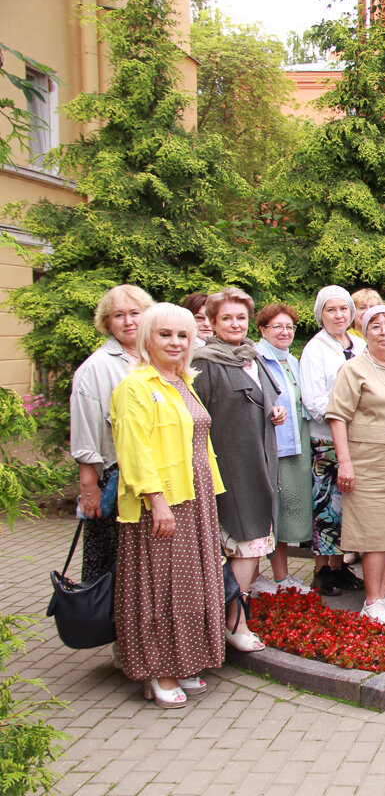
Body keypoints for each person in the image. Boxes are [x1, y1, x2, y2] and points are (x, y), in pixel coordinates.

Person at [110, 303, 227, 708]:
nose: (175, 342)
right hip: (162, 502)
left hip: (195, 499)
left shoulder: (181, 381)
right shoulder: (135, 386)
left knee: (190, 587)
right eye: (165, 334)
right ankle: (156, 671)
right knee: (160, 589)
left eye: (182, 335)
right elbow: (134, 449)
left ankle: (183, 661)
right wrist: (155, 500)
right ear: (146, 338)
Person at [192, 288, 282, 653]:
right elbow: (197, 421)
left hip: (261, 462)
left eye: (241, 317)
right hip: (229, 467)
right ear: (211, 323)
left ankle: (233, 617)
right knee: (242, 543)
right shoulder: (204, 363)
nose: (234, 323)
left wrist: (275, 412)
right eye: (226, 318)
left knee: (254, 544)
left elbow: (266, 398)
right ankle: (234, 622)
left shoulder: (252, 357)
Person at [326, 306, 385, 625]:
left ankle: (382, 595)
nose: (383, 331)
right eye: (375, 325)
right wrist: (344, 463)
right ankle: (371, 600)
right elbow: (337, 417)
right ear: (364, 331)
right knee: (374, 533)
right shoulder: (353, 369)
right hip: (366, 462)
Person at [71, 284, 154, 582]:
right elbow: (85, 432)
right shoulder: (95, 369)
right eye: (119, 315)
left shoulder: (158, 356)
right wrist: (88, 487)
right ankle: (109, 626)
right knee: (114, 567)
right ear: (107, 323)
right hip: (115, 482)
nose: (129, 321)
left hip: (156, 479)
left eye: (135, 313)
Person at [300, 285, 367, 596]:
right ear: (320, 315)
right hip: (326, 440)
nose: (339, 315)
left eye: (343, 309)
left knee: (349, 507)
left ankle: (340, 567)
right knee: (327, 505)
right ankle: (323, 570)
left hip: (360, 441)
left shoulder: (360, 344)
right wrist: (347, 413)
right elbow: (313, 401)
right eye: (331, 309)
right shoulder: (316, 349)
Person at [250, 304, 313, 595]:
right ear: (262, 330)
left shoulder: (293, 361)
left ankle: (280, 575)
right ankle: (252, 575)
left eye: (289, 327)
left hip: (295, 444)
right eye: (277, 326)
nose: (285, 332)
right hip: (270, 447)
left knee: (286, 513)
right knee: (266, 513)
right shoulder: (255, 359)